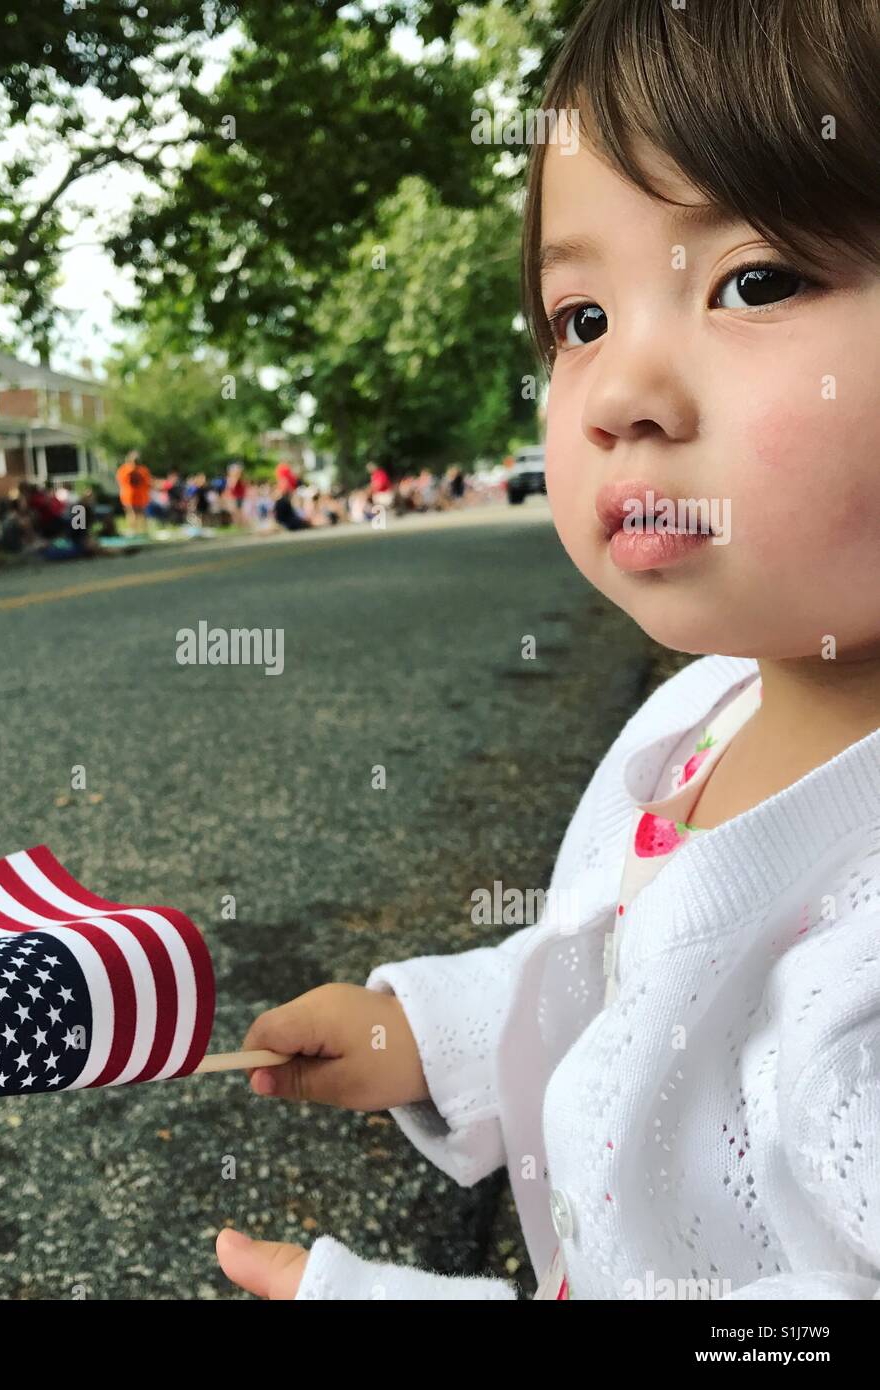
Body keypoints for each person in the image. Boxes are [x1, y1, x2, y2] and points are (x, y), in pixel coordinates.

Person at [216, 0, 880, 1302]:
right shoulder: (708, 709)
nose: (622, 391)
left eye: (755, 280)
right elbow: (615, 957)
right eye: (580, 318)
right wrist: (426, 1030)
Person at [116, 449, 151, 532]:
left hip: (140, 495)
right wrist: (132, 469)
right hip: (129, 495)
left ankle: (143, 530)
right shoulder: (124, 469)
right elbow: (121, 480)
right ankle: (133, 530)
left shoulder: (143, 470)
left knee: (141, 513)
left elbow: (147, 482)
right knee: (131, 512)